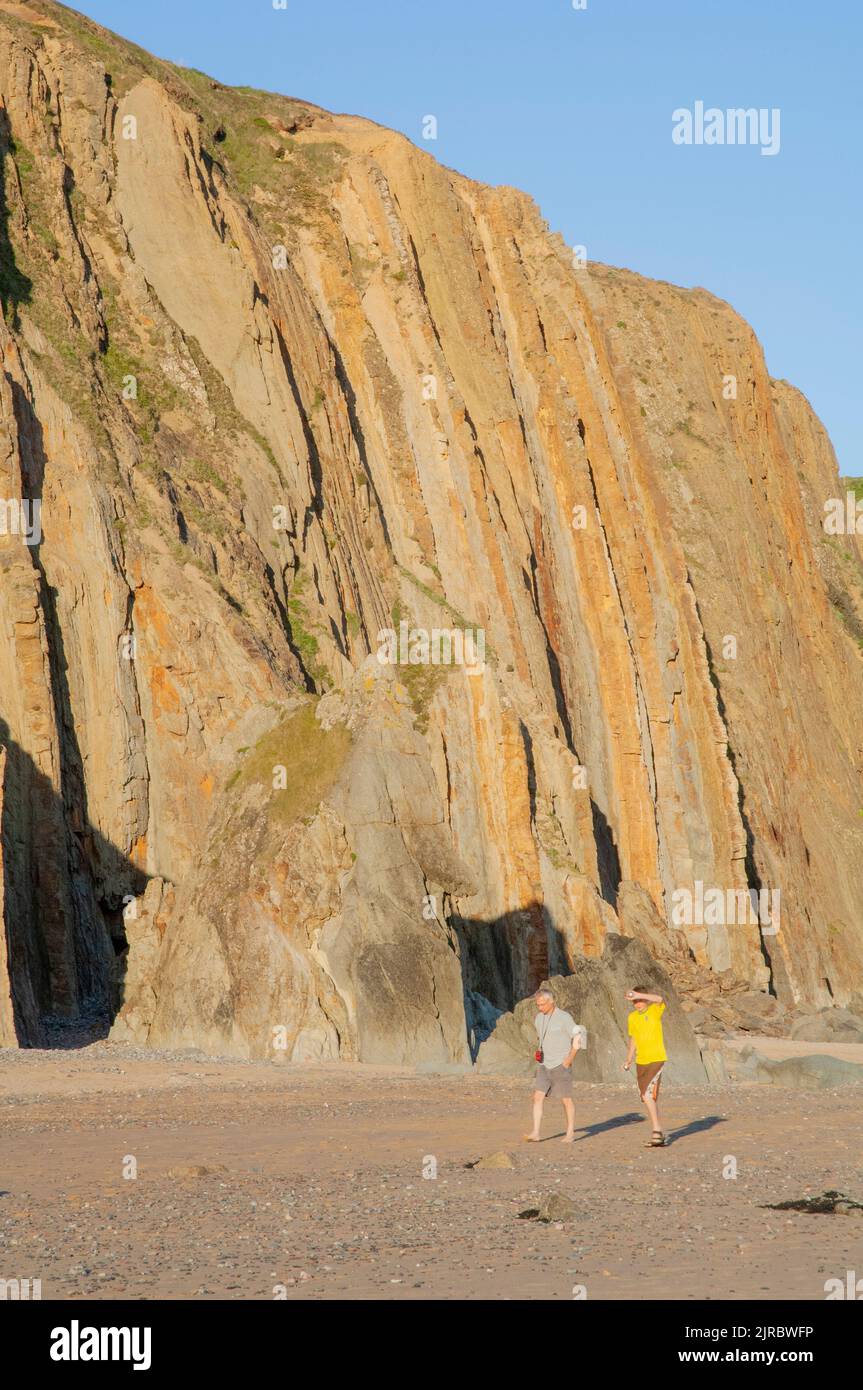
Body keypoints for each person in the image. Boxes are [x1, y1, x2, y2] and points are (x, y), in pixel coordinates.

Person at [523, 988, 584, 1144]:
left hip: (560, 1064)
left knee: (566, 1100)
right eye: (538, 1005)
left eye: (542, 1004)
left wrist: (568, 1060)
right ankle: (536, 1132)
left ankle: (570, 1133)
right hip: (544, 1064)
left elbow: (578, 1035)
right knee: (537, 1097)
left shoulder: (564, 1017)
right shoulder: (538, 1018)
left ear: (551, 1001)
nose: (540, 1007)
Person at [623, 986, 668, 1147]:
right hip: (640, 1060)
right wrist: (628, 1058)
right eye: (635, 1001)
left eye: (640, 1001)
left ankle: (657, 1130)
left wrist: (639, 994)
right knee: (645, 1096)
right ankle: (658, 1132)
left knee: (647, 1094)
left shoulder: (654, 1011)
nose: (638, 1004)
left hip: (656, 1058)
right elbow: (633, 1038)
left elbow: (660, 999)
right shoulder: (632, 1017)